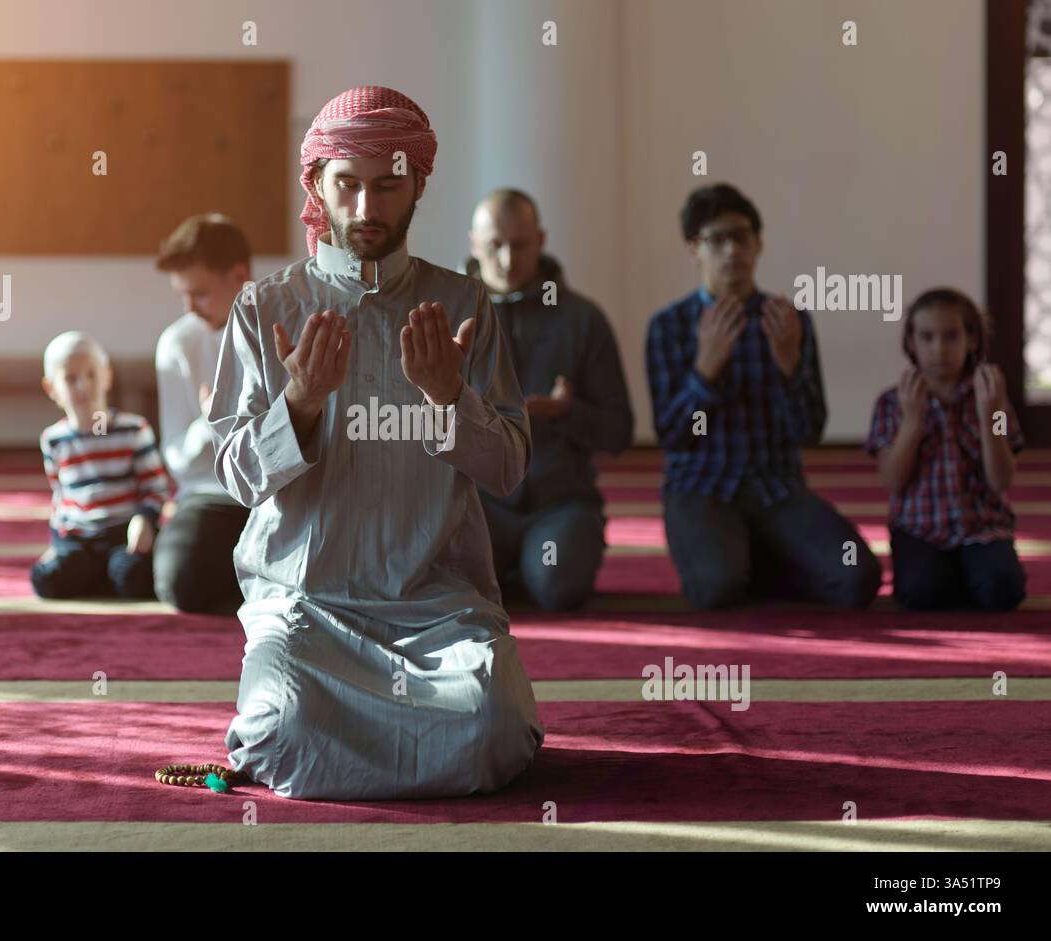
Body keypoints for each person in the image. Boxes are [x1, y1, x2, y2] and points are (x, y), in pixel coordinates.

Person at [207, 85, 544, 800]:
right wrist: (299, 403)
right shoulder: (264, 308)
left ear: (419, 182)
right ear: (317, 187)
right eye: (347, 186)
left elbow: (508, 466)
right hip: (306, 605)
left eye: (388, 185)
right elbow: (237, 477)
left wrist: (448, 396)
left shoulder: (463, 305)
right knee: (280, 727)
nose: (366, 210)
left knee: (493, 722)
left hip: (435, 608)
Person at [645, 183, 881, 609]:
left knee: (857, 579)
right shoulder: (669, 326)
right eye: (717, 240)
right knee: (716, 590)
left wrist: (789, 367)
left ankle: (753, 555)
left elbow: (810, 431)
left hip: (778, 488)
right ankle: (747, 559)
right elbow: (672, 435)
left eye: (741, 236)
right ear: (694, 248)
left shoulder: (788, 321)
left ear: (758, 244)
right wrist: (705, 371)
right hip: (701, 488)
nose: (732, 250)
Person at [465, 188, 633, 610]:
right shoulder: (448, 316)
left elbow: (620, 433)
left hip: (561, 503)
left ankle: (523, 567)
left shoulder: (582, 319)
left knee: (557, 585)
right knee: (451, 589)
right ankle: (505, 566)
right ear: (472, 245)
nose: (506, 260)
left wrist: (565, 413)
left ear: (541, 240)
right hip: (478, 505)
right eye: (494, 247)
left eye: (519, 245)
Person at [866, 288, 1026, 610]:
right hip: (920, 529)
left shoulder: (992, 400)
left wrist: (988, 417)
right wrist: (912, 421)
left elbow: (1001, 480)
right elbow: (893, 479)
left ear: (972, 341)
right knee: (919, 595)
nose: (939, 349)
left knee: (1002, 591)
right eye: (927, 337)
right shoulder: (892, 402)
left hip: (982, 527)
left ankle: (972, 571)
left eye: (951, 336)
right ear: (911, 343)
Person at [153, 214, 253, 612]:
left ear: (239, 275)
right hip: (212, 498)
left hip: (278, 496)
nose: (188, 307)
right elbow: (177, 458)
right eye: (182, 294)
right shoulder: (177, 343)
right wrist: (212, 418)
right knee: (182, 581)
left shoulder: (285, 326)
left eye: (199, 293)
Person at [31, 331, 173, 599]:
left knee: (132, 577)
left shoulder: (133, 429)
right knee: (44, 580)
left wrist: (144, 519)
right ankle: (98, 574)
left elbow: (156, 487)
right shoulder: (53, 440)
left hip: (123, 534)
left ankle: (109, 574)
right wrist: (56, 543)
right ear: (52, 389)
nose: (83, 386)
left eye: (91, 375)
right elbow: (60, 496)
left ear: (107, 377)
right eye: (70, 379)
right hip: (81, 539)